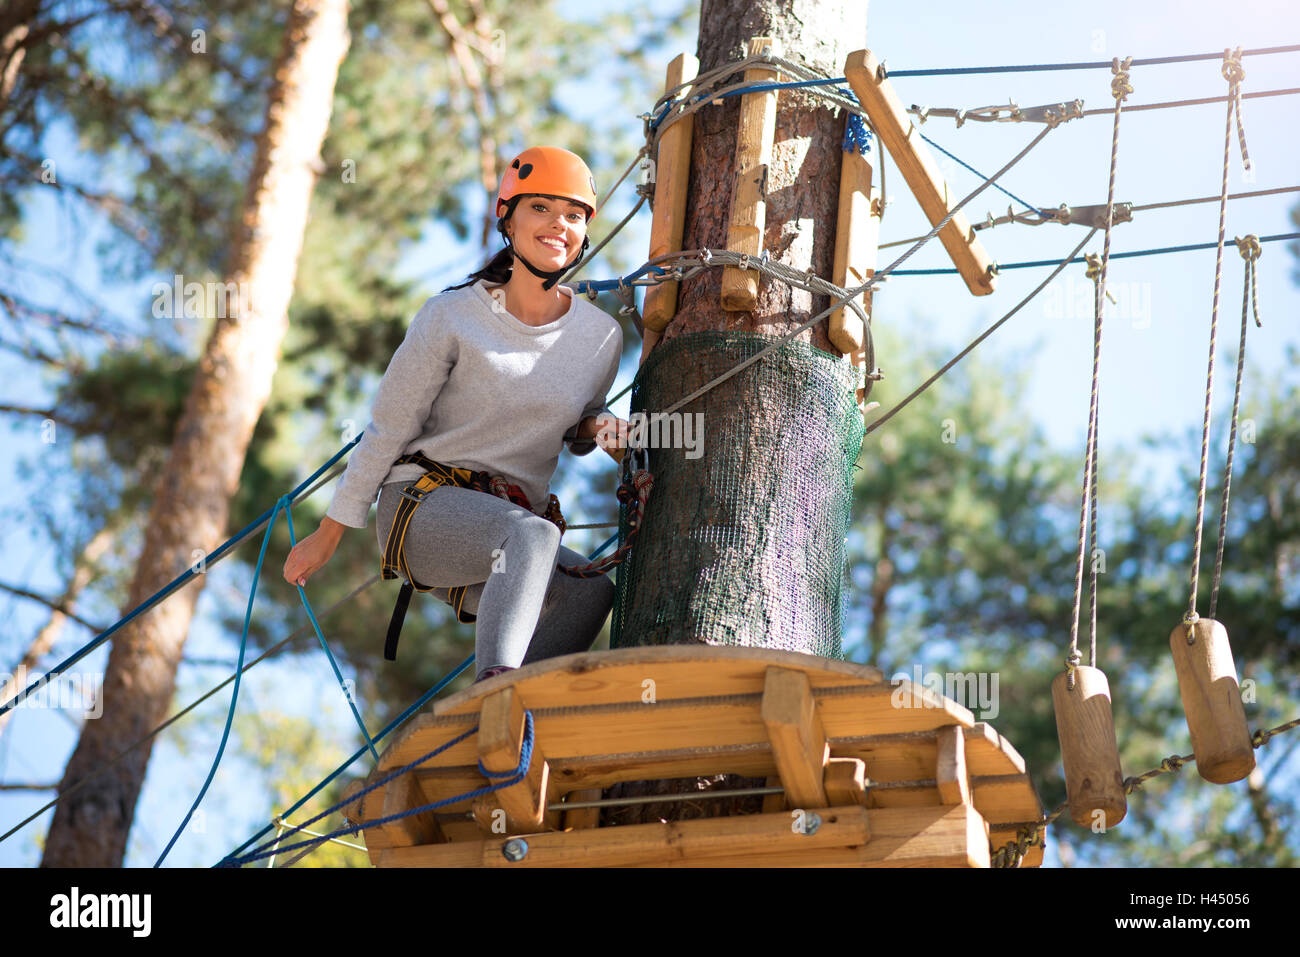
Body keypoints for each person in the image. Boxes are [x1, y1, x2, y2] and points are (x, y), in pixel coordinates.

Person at [283, 145, 628, 683]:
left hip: (509, 528)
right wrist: (330, 531)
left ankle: (518, 715)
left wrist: (598, 426)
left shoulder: (599, 336)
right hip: (423, 507)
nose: (559, 224)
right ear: (507, 218)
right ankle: (494, 696)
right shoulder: (452, 316)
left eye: (574, 215)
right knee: (535, 536)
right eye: (540, 208)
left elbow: (577, 423)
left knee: (588, 590)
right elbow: (388, 428)